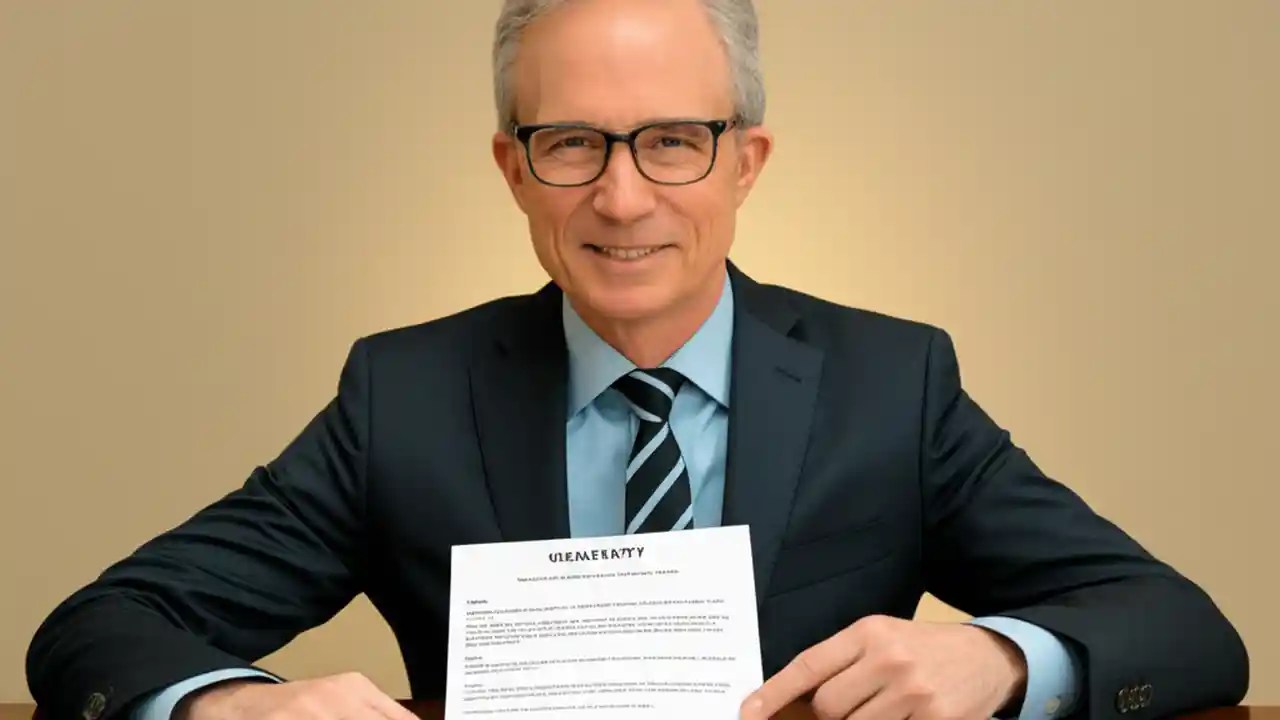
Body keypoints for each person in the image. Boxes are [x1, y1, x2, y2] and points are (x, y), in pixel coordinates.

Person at [27, 0, 1249, 718]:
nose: (620, 198)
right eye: (569, 143)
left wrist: (993, 658)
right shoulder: (400, 397)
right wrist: (238, 708)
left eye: (673, 140)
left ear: (744, 163)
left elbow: (1182, 628)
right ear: (512, 169)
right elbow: (101, 628)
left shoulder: (893, 385)